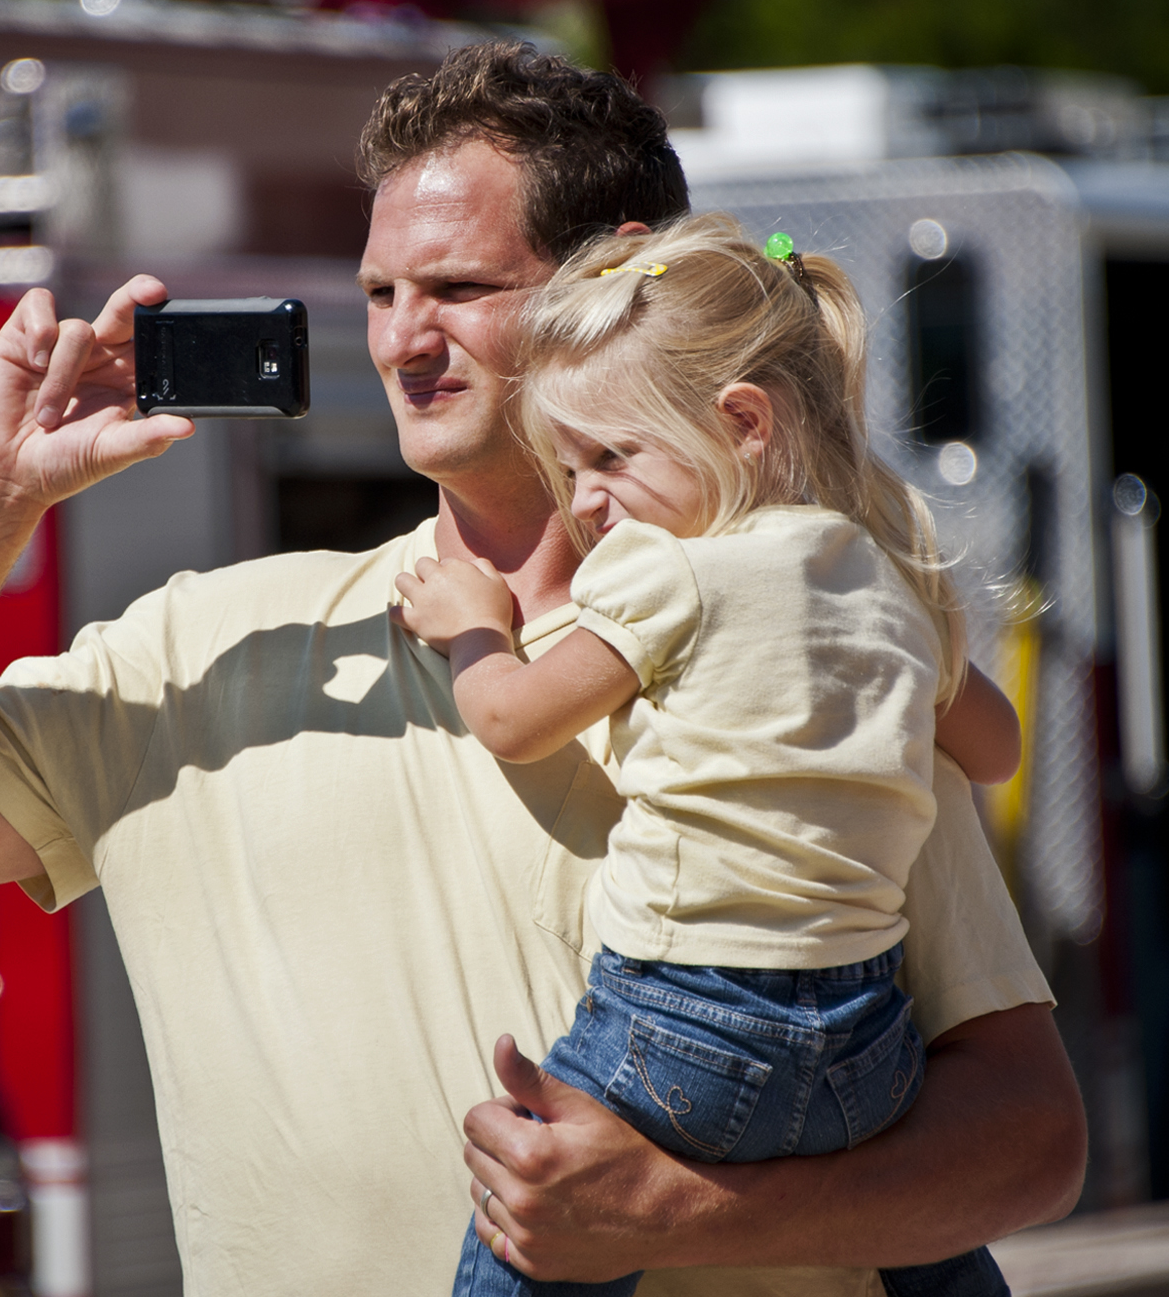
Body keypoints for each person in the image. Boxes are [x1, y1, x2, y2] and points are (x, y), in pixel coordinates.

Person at [0, 43, 1085, 1296]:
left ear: (610, 285)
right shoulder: (204, 641)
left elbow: (1027, 1137)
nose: (399, 339)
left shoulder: (788, 642)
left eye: (456, 289)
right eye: (383, 291)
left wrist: (674, 1213)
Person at [392, 216, 1023, 1297]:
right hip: (869, 1044)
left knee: (530, 1213)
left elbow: (512, 720)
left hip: (686, 1023)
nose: (585, 497)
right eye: (570, 463)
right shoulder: (891, 580)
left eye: (608, 456)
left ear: (740, 422)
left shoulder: (672, 573)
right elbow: (998, 748)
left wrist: (475, 623)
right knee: (927, 1245)